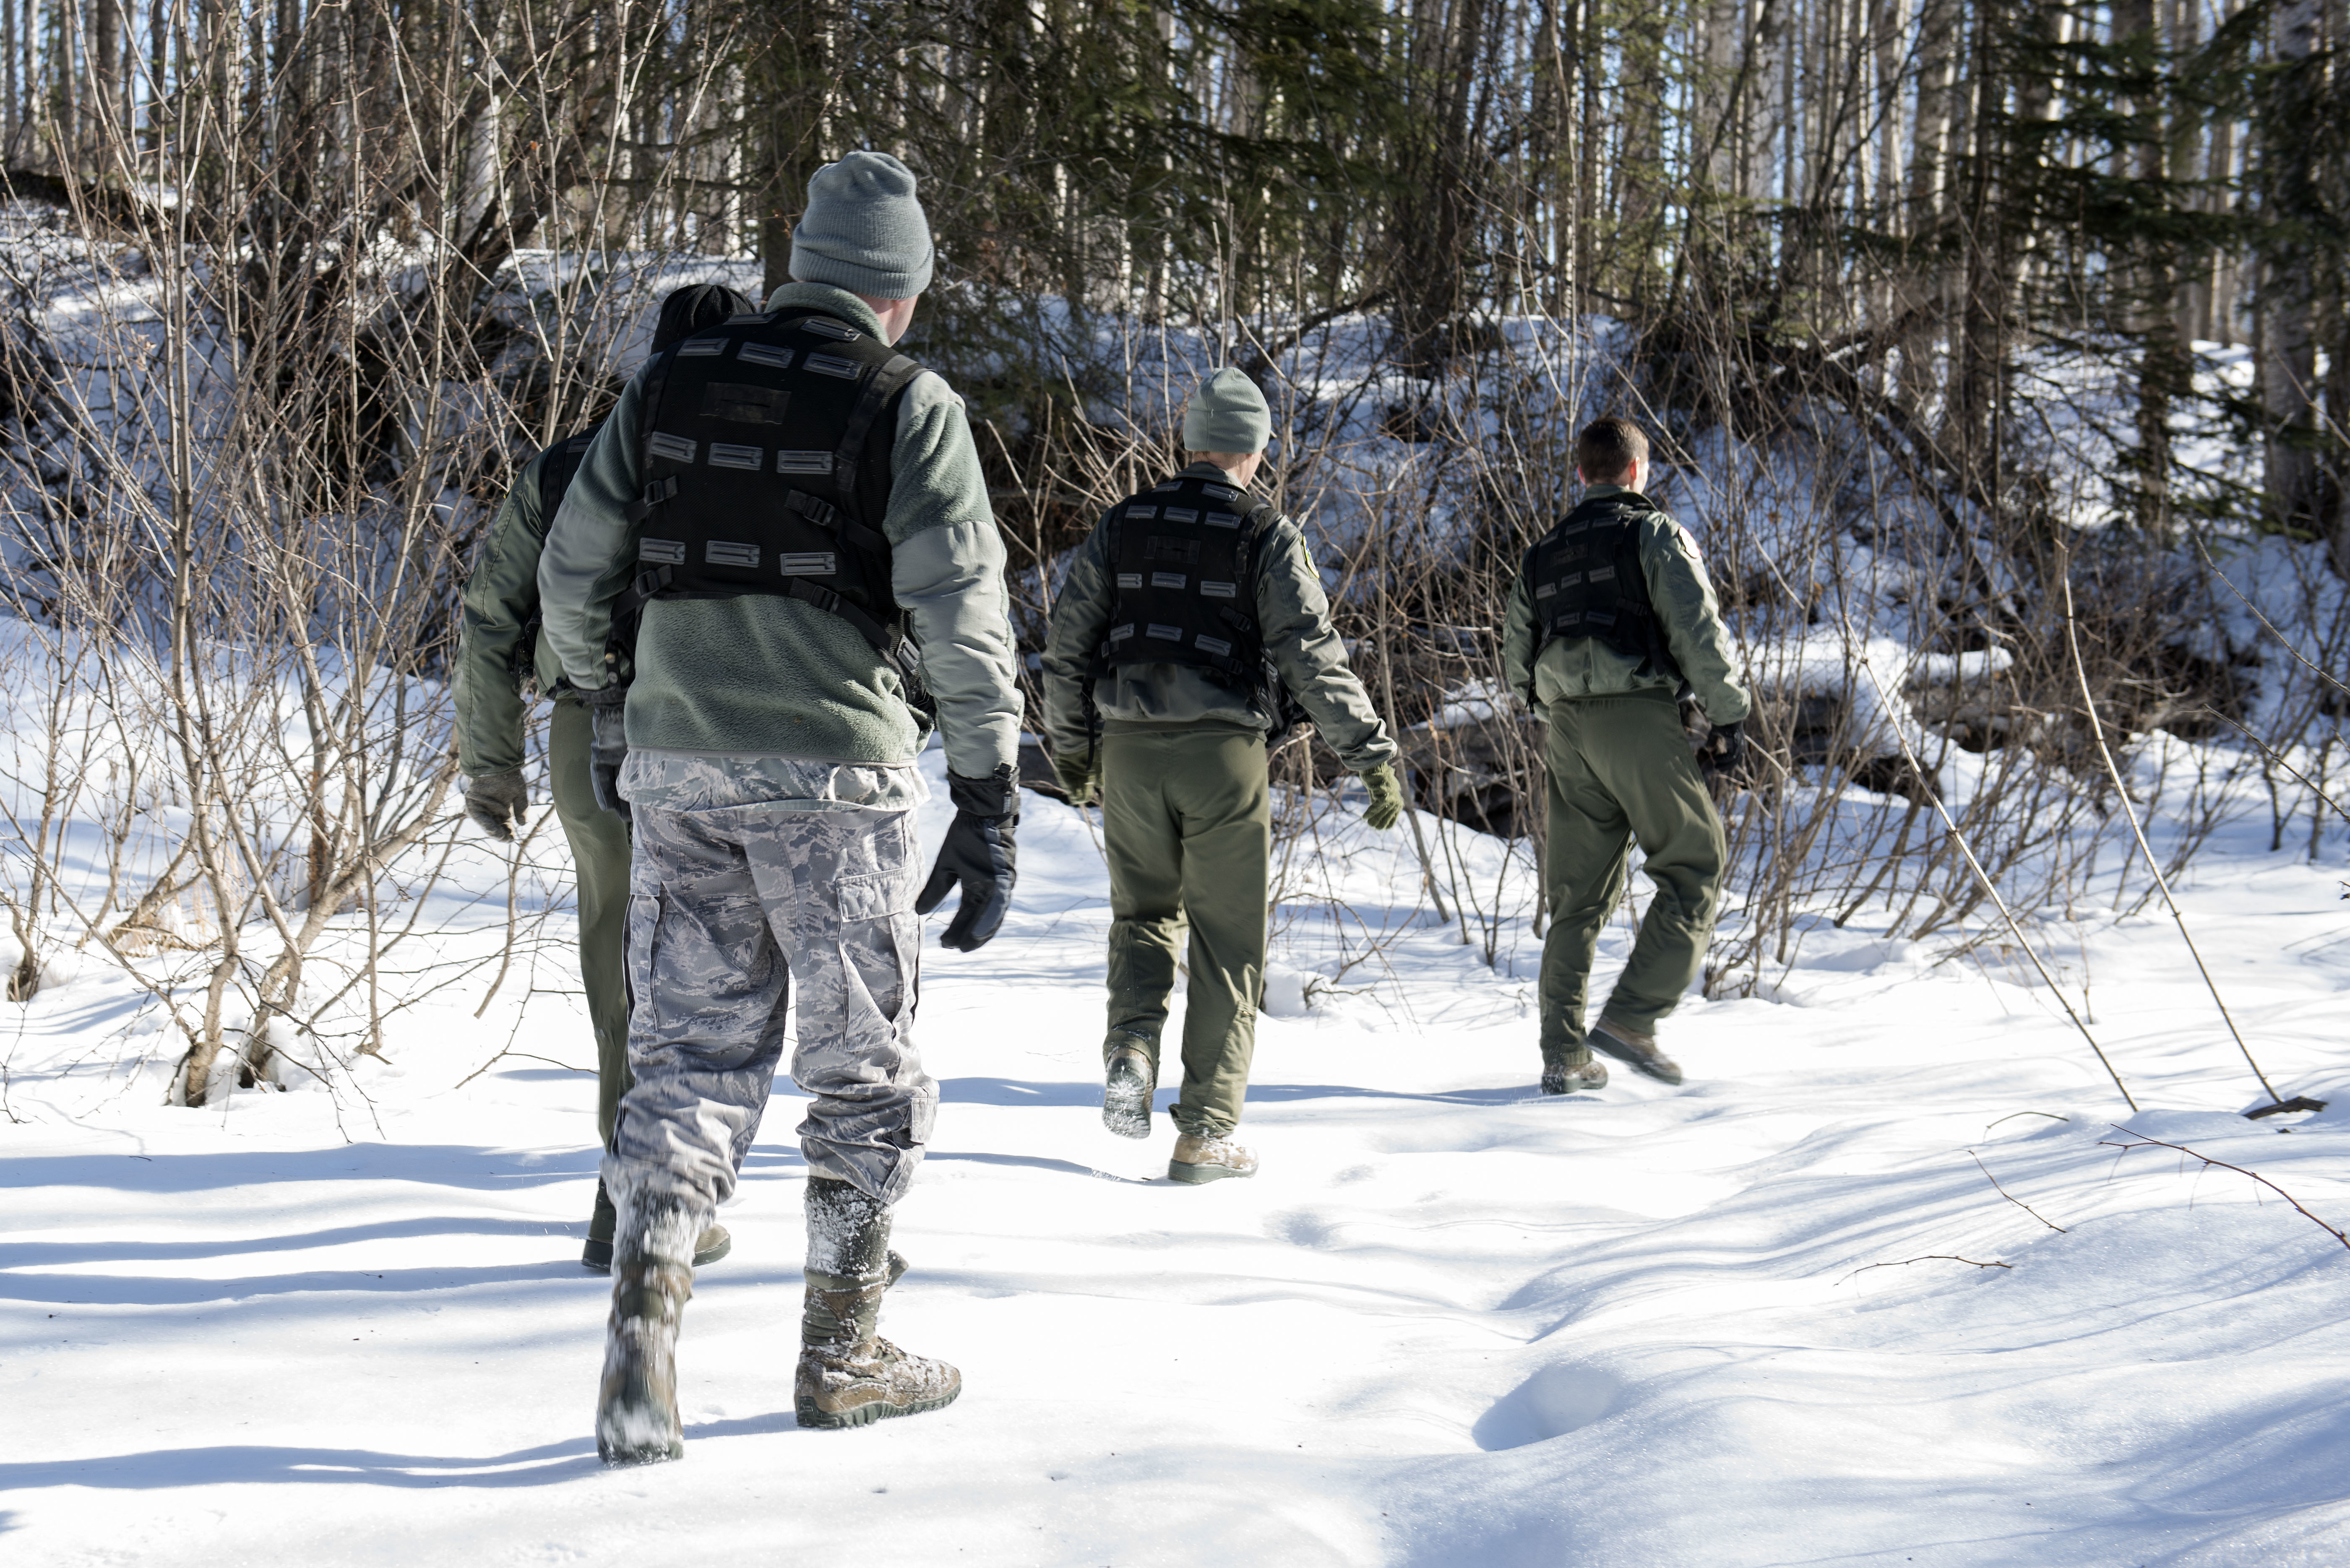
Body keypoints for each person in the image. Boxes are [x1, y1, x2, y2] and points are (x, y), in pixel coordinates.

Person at [535, 151, 1024, 1462]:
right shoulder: (908, 403)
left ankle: (643, 1338)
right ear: (900, 295)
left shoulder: (673, 381)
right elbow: (962, 617)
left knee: (688, 1058)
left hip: (678, 762)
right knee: (862, 1063)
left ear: (800, 264)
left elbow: (575, 562)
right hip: (833, 772)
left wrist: (605, 698)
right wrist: (985, 788)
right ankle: (843, 1346)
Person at [454, 281, 753, 1274]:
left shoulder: (565, 468)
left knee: (621, 971)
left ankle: (628, 1196)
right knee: (707, 976)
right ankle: (651, 1204)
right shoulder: (746, 461)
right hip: (719, 736)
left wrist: (491, 762)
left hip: (587, 737)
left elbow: (495, 622)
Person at [1041, 368, 1404, 1184]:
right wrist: (1370, 753)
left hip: (1129, 747)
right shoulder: (1265, 532)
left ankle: (1132, 1044)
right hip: (1223, 756)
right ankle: (1203, 1132)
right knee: (1227, 943)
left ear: (1189, 441)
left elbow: (1066, 645)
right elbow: (1309, 656)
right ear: (1256, 449)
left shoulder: (1122, 525)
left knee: (1141, 917)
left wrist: (1072, 749)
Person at [1501, 416, 1751, 1096]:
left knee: (1576, 900)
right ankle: (1633, 1019)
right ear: (1638, 472)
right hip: (1637, 717)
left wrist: (1555, 712)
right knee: (1695, 863)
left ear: (1580, 474)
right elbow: (1697, 630)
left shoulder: (1542, 553)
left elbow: (1515, 660)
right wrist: (1729, 715)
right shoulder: (1654, 533)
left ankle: (1564, 1054)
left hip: (1566, 730)